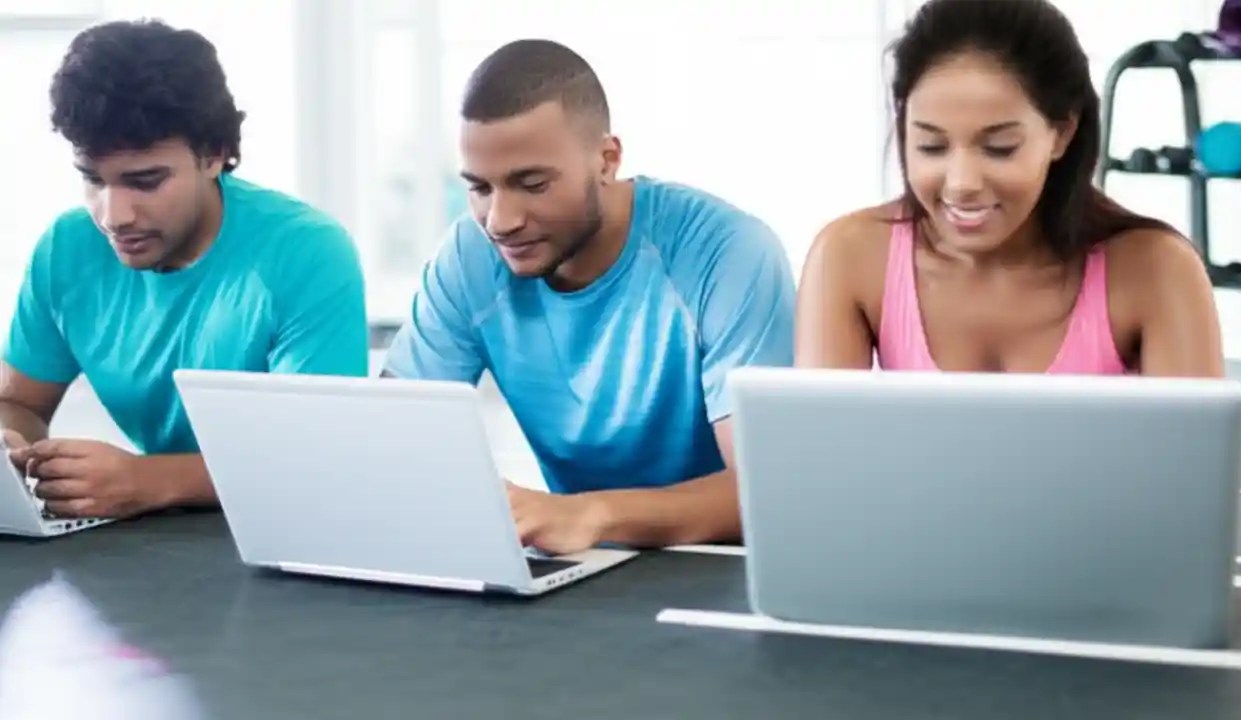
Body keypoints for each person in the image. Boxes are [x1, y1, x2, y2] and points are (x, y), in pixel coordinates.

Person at [383, 39, 795, 554]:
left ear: (606, 159)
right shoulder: (469, 256)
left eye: (531, 184)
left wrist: (591, 513)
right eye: (480, 188)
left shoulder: (728, 252)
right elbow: (391, 445)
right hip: (580, 570)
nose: (500, 221)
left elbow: (767, 489)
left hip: (722, 567)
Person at [0, 20, 369, 520]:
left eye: (145, 181)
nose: (114, 215)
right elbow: (19, 402)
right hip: (156, 553)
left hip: (294, 534)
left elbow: (321, 456)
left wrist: (147, 480)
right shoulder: (67, 248)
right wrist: (12, 448)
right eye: (92, 179)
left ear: (214, 155)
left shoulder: (306, 251)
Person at [796, 0, 1223, 377]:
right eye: (931, 145)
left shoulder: (1158, 272)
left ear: (1061, 133)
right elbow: (819, 457)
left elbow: (1195, 466)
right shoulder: (850, 258)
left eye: (999, 148)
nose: (962, 183)